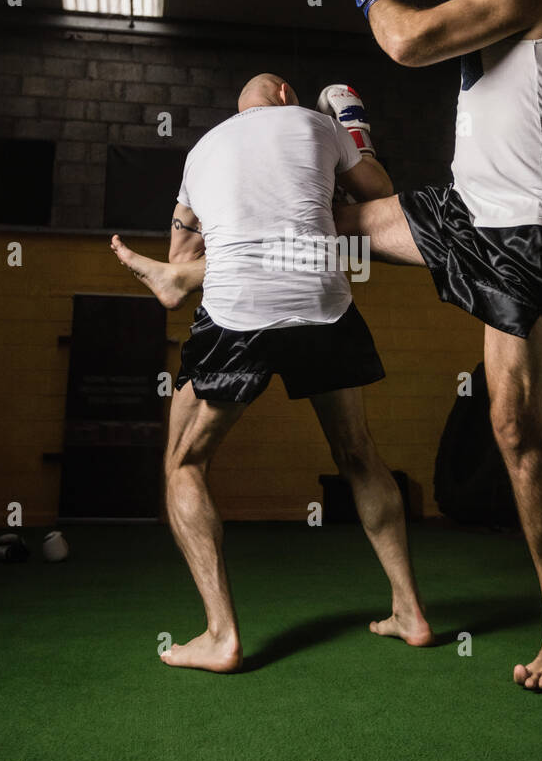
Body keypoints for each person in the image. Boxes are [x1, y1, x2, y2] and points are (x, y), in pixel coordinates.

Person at [335, 0, 542, 691]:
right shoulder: (532, 38)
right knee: (333, 223)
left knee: (515, 426)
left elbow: (406, 40)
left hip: (519, 234)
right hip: (469, 212)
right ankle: (347, 143)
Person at [111, 73, 433, 672]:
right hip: (323, 304)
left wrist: (201, 249)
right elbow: (380, 196)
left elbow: (184, 254)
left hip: (238, 310)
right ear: (286, 93)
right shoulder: (319, 124)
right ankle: (410, 611)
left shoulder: (200, 152)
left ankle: (221, 636)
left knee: (183, 464)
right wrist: (353, 132)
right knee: (358, 454)